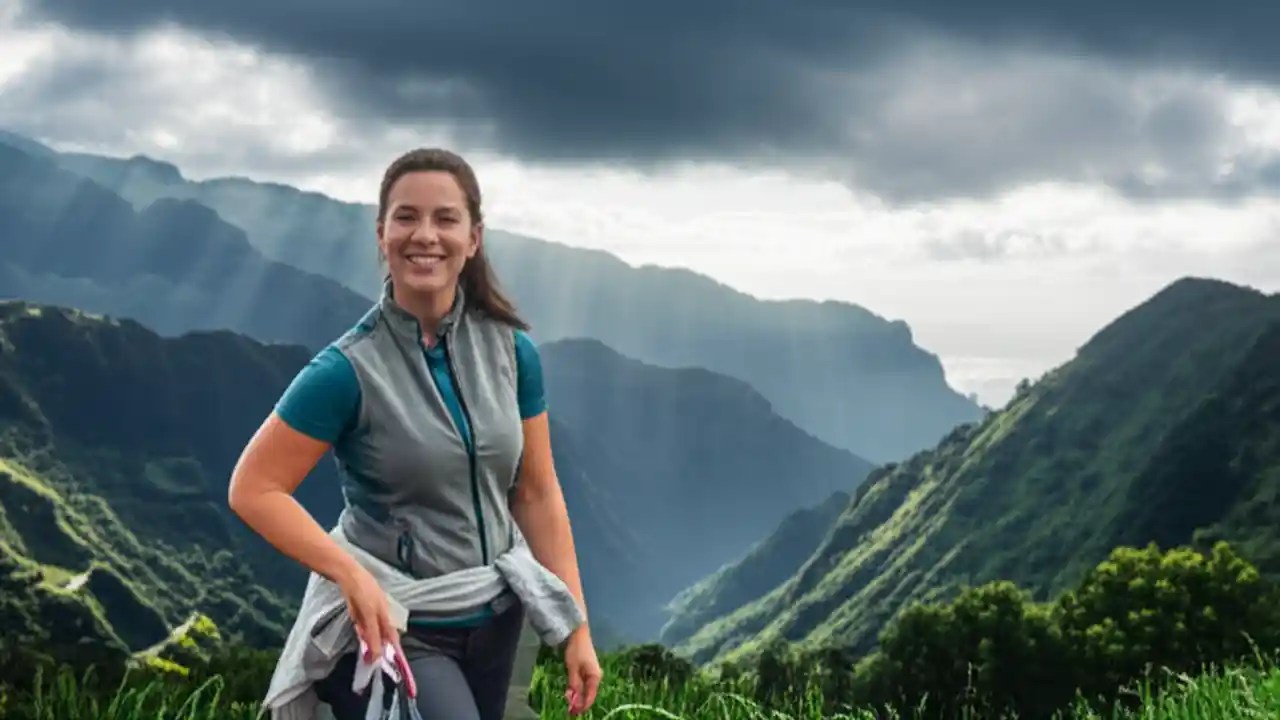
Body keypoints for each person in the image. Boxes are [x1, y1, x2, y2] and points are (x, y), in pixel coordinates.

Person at [227, 147, 602, 719]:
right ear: (381, 234)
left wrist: (575, 626)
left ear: (473, 238)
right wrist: (349, 573)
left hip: (496, 620)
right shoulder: (347, 370)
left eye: (445, 218)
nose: (424, 234)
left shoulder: (511, 352)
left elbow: (536, 494)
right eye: (406, 217)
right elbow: (253, 487)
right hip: (396, 627)